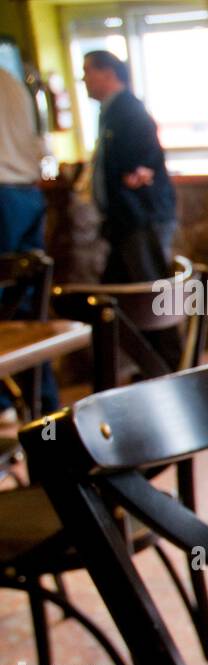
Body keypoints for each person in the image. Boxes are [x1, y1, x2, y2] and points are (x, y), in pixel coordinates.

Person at [82, 49, 181, 368]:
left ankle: (169, 367)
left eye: (88, 71)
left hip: (139, 222)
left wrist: (135, 182)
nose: (84, 79)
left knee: (151, 298)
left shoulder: (130, 113)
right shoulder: (112, 113)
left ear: (108, 72)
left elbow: (143, 171)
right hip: (125, 223)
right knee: (117, 300)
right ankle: (153, 366)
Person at [0, 65, 56, 420]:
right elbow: (40, 140)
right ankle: (42, 405)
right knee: (28, 310)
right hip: (27, 192)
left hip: (3, 195)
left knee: (9, 310)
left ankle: (7, 405)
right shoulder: (11, 78)